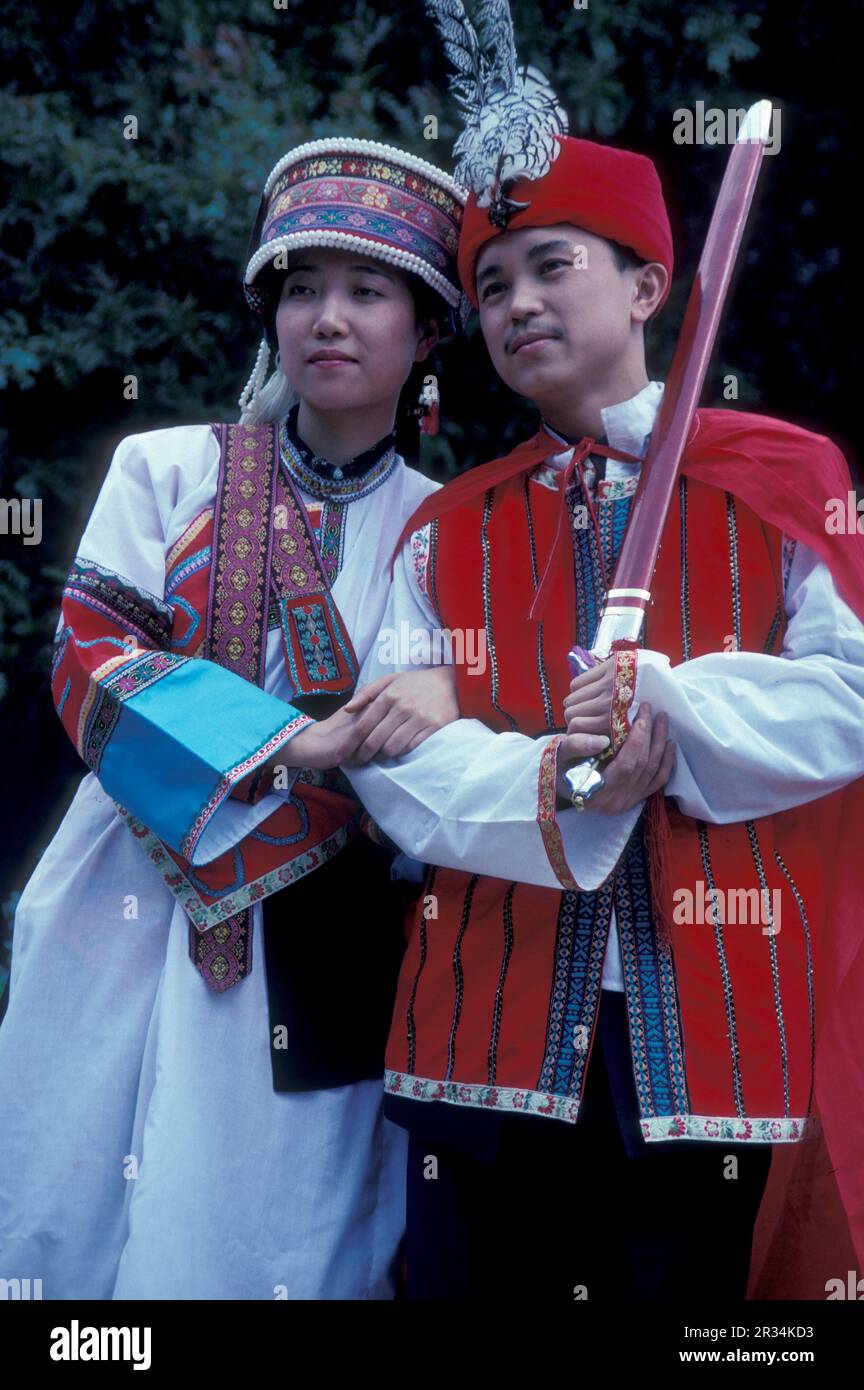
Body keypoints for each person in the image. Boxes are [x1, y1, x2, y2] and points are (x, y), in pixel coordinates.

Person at [343, 6, 864, 1300]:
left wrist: (672, 714)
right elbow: (392, 755)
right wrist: (562, 789)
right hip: (486, 1033)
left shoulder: (786, 476)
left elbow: (855, 699)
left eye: (552, 265)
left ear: (647, 284)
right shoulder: (442, 526)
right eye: (492, 281)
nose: (517, 301)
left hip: (722, 1044)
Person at [0, 137, 470, 1300]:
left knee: (272, 1222)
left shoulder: (451, 528)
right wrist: (291, 743)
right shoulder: (164, 469)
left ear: (424, 334)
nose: (329, 317)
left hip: (328, 927)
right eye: (302, 289)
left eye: (368, 291)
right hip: (127, 883)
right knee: (67, 1189)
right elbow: (91, 657)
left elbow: (443, 734)